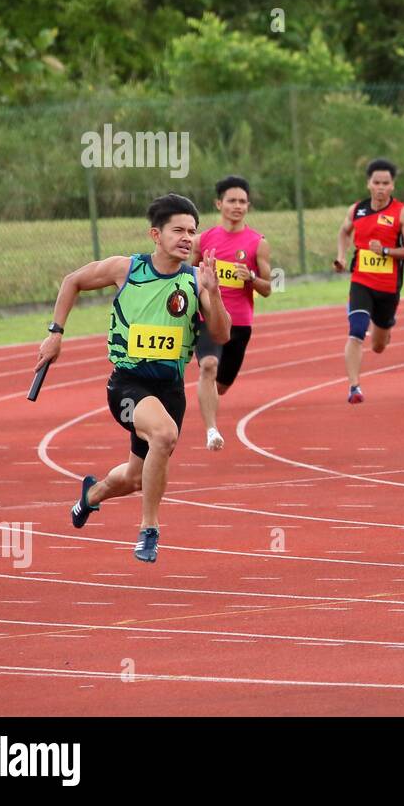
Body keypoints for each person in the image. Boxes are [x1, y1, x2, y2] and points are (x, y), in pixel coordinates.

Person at [39, 193, 229, 564]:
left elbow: (221, 335)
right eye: (178, 230)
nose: (187, 237)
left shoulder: (195, 282)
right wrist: (55, 333)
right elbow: (72, 281)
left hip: (169, 391)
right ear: (155, 235)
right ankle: (149, 530)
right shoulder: (127, 269)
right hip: (127, 385)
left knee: (135, 478)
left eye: (192, 231)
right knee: (164, 434)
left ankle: (90, 496)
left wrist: (215, 292)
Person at [192, 176, 272, 450]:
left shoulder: (257, 243)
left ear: (248, 205)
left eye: (242, 201)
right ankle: (211, 430)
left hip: (239, 324)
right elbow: (187, 276)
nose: (237, 206)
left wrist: (251, 277)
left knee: (221, 386)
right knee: (208, 367)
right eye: (231, 201)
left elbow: (268, 289)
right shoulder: (202, 241)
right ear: (219, 203)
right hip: (209, 317)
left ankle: (208, 406)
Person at [333, 159, 404, 403]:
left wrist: (385, 252)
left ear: (392, 186)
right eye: (376, 183)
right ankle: (354, 388)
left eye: (386, 183)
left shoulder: (402, 213)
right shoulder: (356, 210)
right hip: (361, 281)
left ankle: (387, 324)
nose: (380, 187)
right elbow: (343, 232)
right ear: (368, 184)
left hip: (389, 288)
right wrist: (340, 257)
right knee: (356, 332)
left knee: (379, 345)